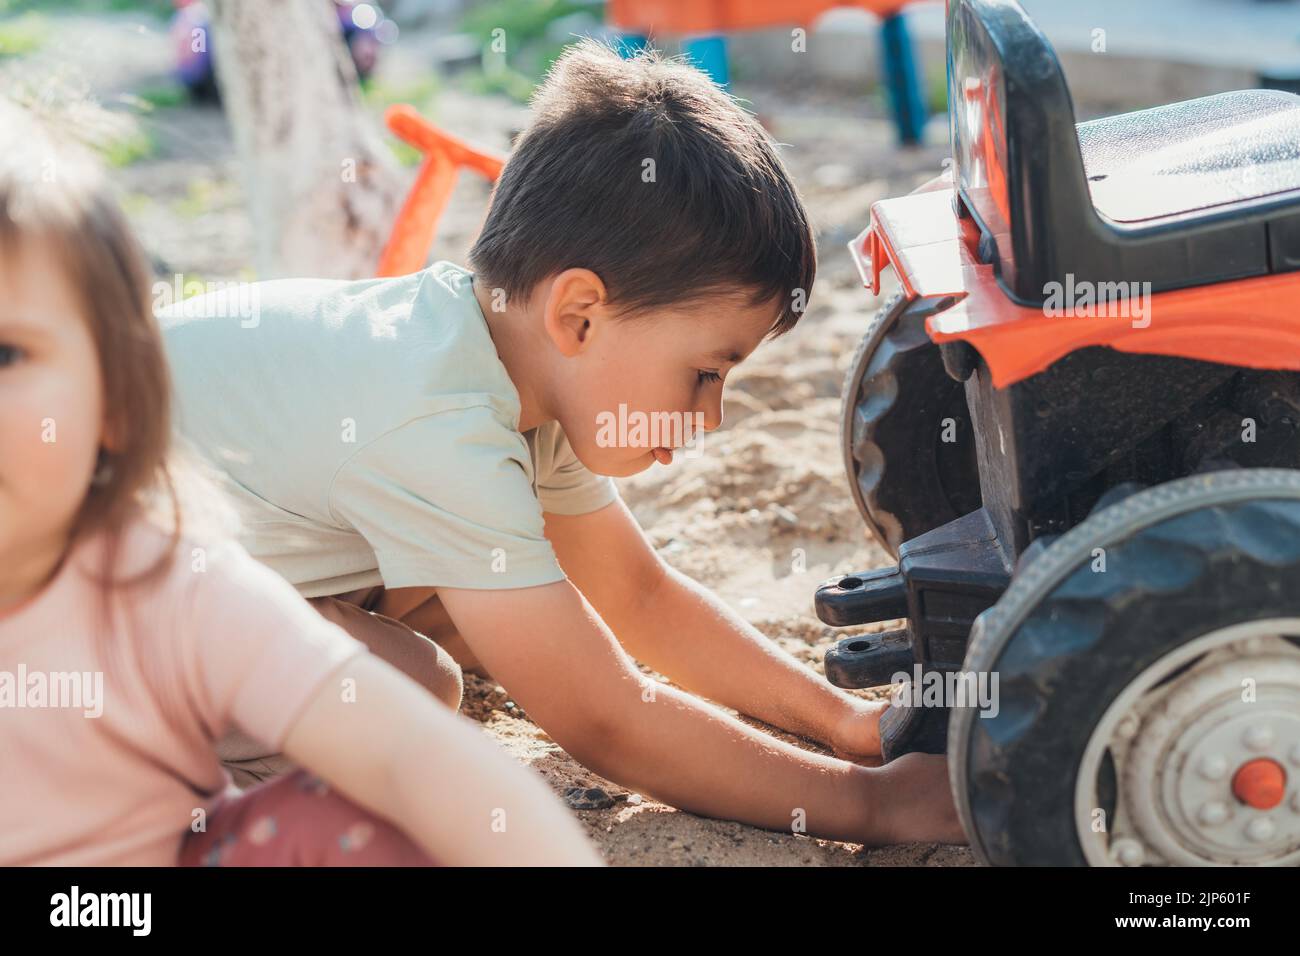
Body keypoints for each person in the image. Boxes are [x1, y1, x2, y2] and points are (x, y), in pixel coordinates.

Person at [161, 41, 965, 846]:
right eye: (704, 372)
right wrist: (876, 805)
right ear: (579, 313)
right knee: (412, 681)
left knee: (490, 604)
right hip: (82, 597)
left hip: (180, 542)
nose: (712, 415)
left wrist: (845, 723)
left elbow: (638, 595)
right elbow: (606, 719)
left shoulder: (503, 359)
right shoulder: (440, 427)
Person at [0, 95, 602, 867]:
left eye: (7, 355)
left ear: (115, 397)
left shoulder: (170, 588)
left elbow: (418, 760)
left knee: (366, 815)